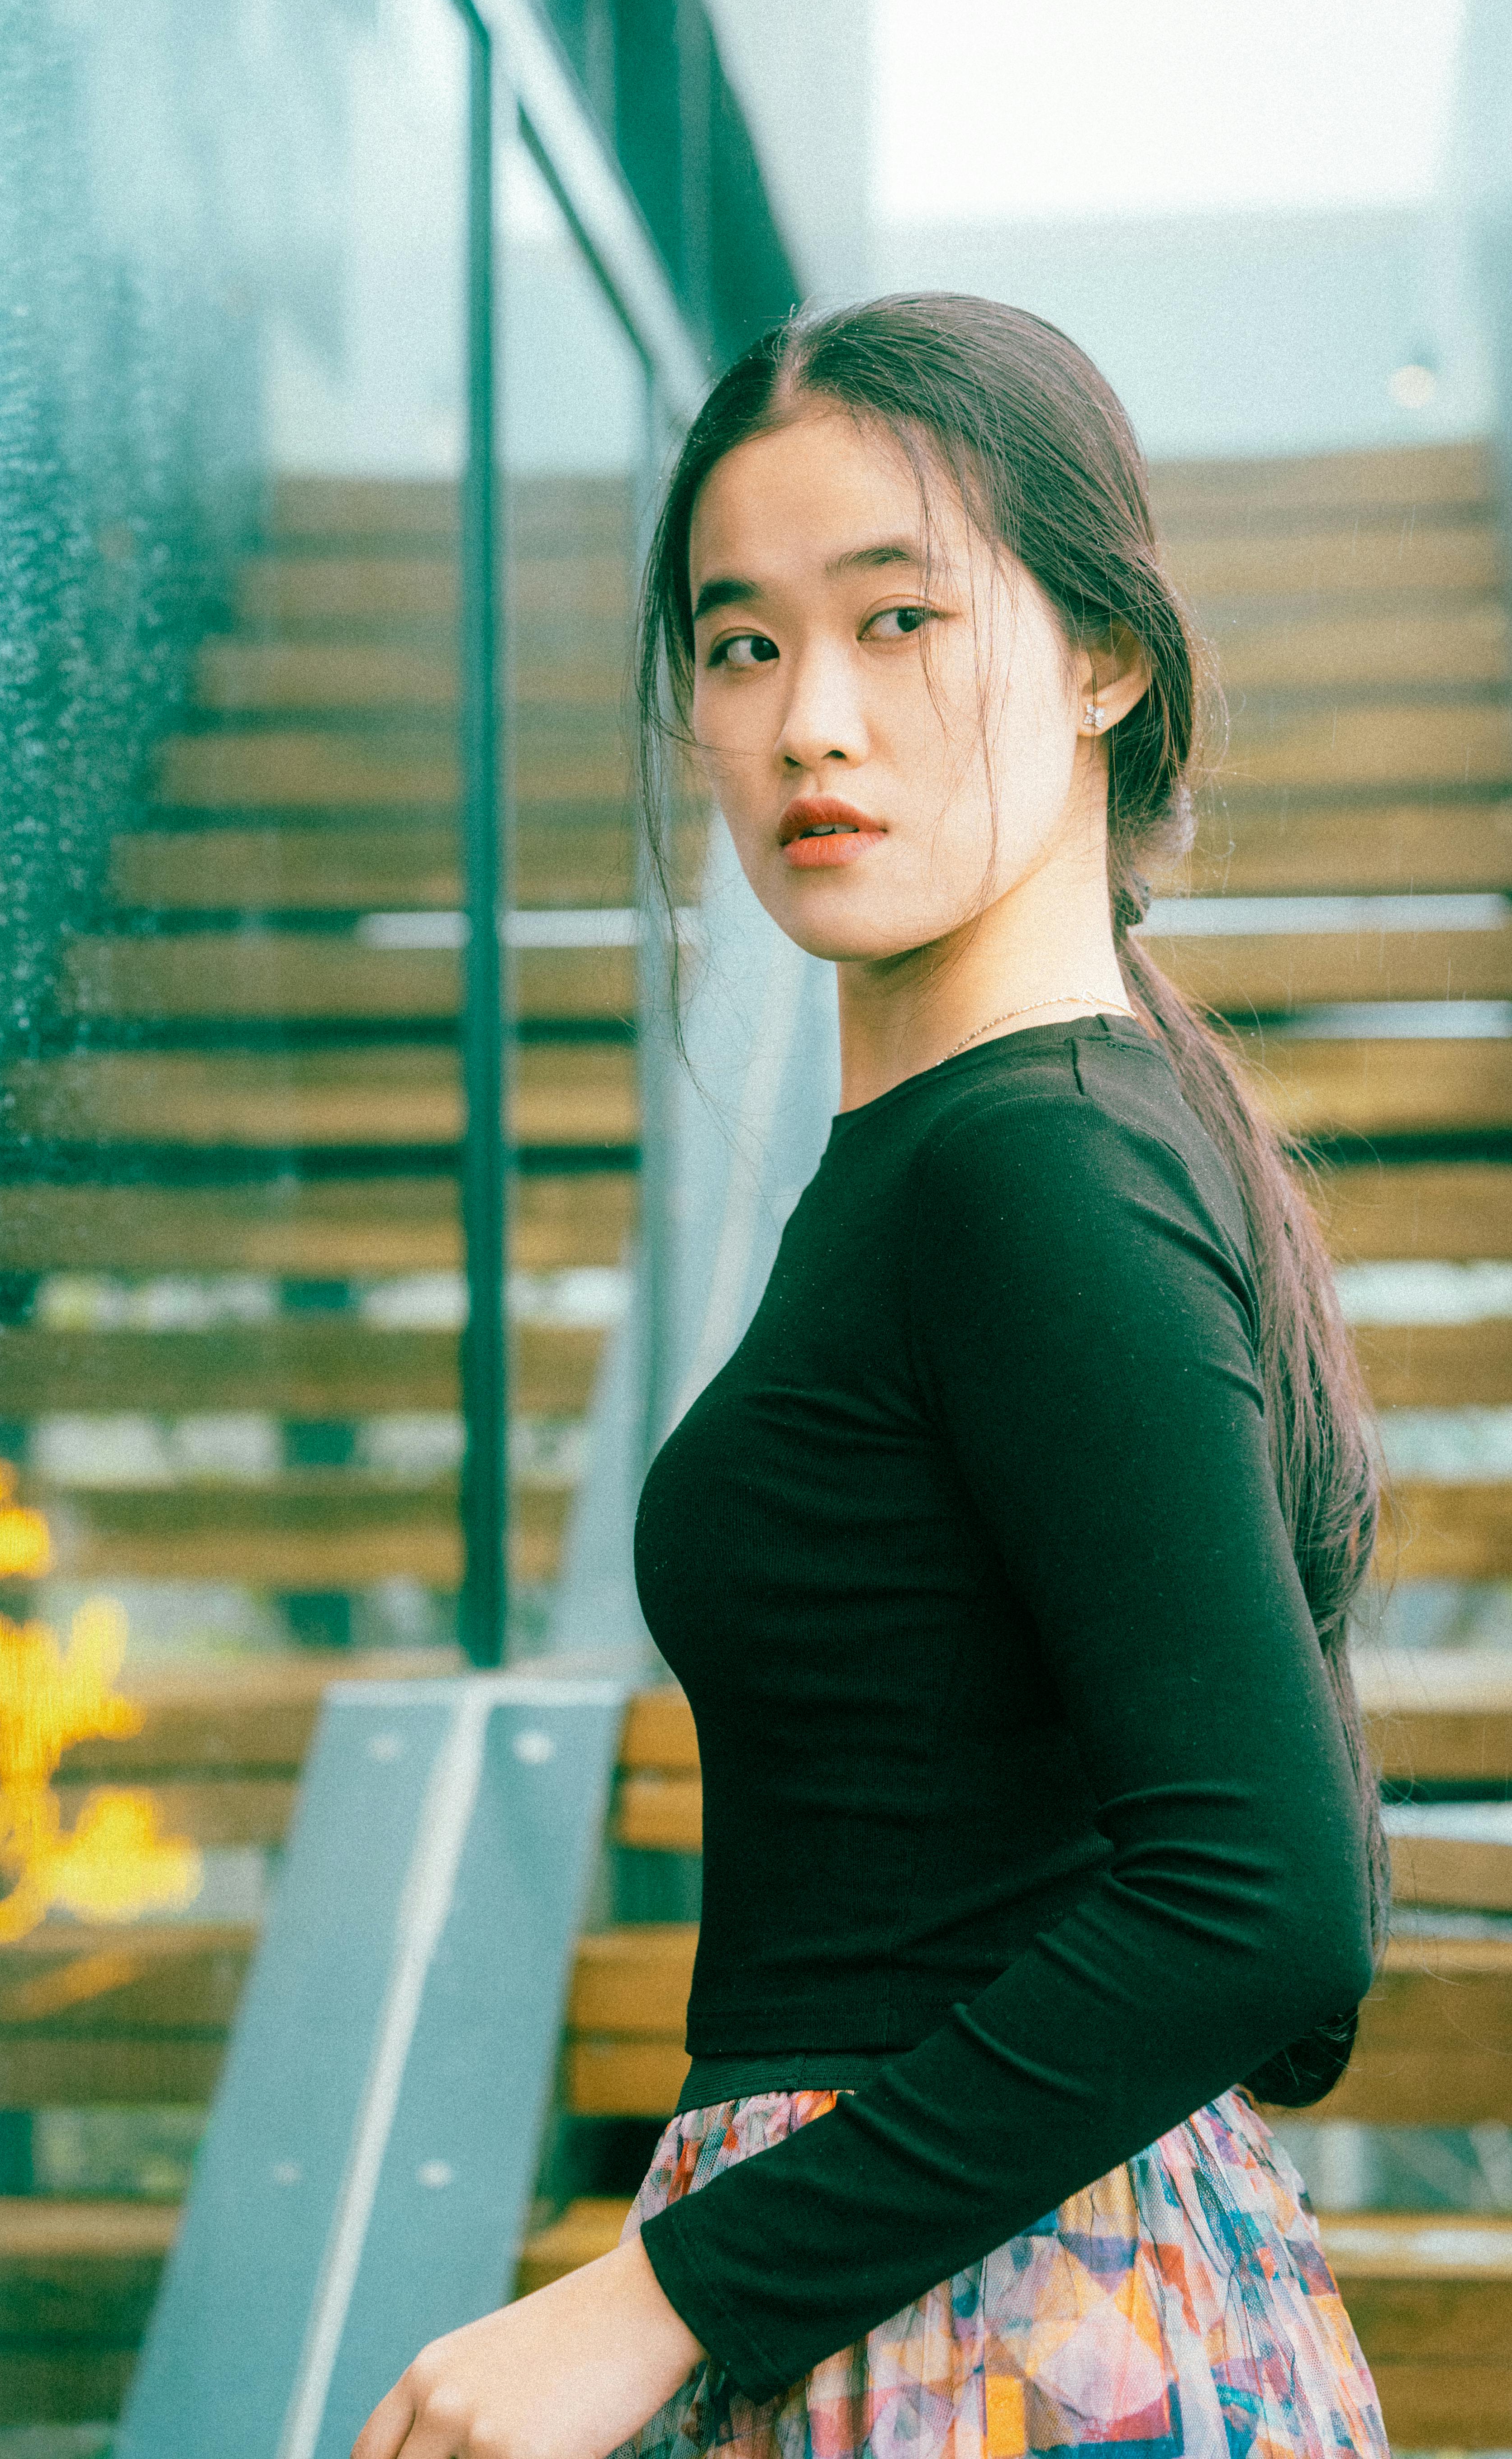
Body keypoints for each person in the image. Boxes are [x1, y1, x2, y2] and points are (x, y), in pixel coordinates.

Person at [353, 295, 1389, 2459]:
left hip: (998, 2333)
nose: (811, 717)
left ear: (1105, 657)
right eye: (740, 647)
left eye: (898, 620)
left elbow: (1268, 1900)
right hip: (988, 2293)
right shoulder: (1002, 1150)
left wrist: (653, 2301)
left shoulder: (1036, 1171)